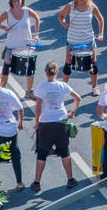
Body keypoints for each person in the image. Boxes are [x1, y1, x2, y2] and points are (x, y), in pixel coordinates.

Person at [32, 60, 82, 193]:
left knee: (42, 154)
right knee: (65, 152)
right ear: (57, 72)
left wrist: (37, 123)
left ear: (45, 72)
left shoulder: (41, 87)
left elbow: (38, 107)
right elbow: (78, 98)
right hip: (61, 121)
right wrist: (72, 112)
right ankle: (70, 179)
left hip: (46, 123)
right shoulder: (62, 85)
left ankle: (37, 182)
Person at [58, 0, 105, 96]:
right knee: (68, 65)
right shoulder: (70, 6)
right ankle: (63, 87)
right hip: (73, 41)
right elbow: (60, 16)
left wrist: (101, 33)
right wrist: (64, 24)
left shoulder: (91, 6)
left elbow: (100, 19)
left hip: (88, 40)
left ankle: (95, 87)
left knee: (93, 65)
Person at [0, 0, 42, 99]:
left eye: (18, 0)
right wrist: (4, 28)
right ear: (11, 2)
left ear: (22, 1)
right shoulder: (7, 13)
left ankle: (29, 91)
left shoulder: (27, 11)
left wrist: (36, 35)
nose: (16, 2)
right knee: (6, 68)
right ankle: (0, 91)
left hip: (27, 45)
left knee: (30, 68)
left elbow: (37, 18)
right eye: (14, 1)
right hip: (11, 45)